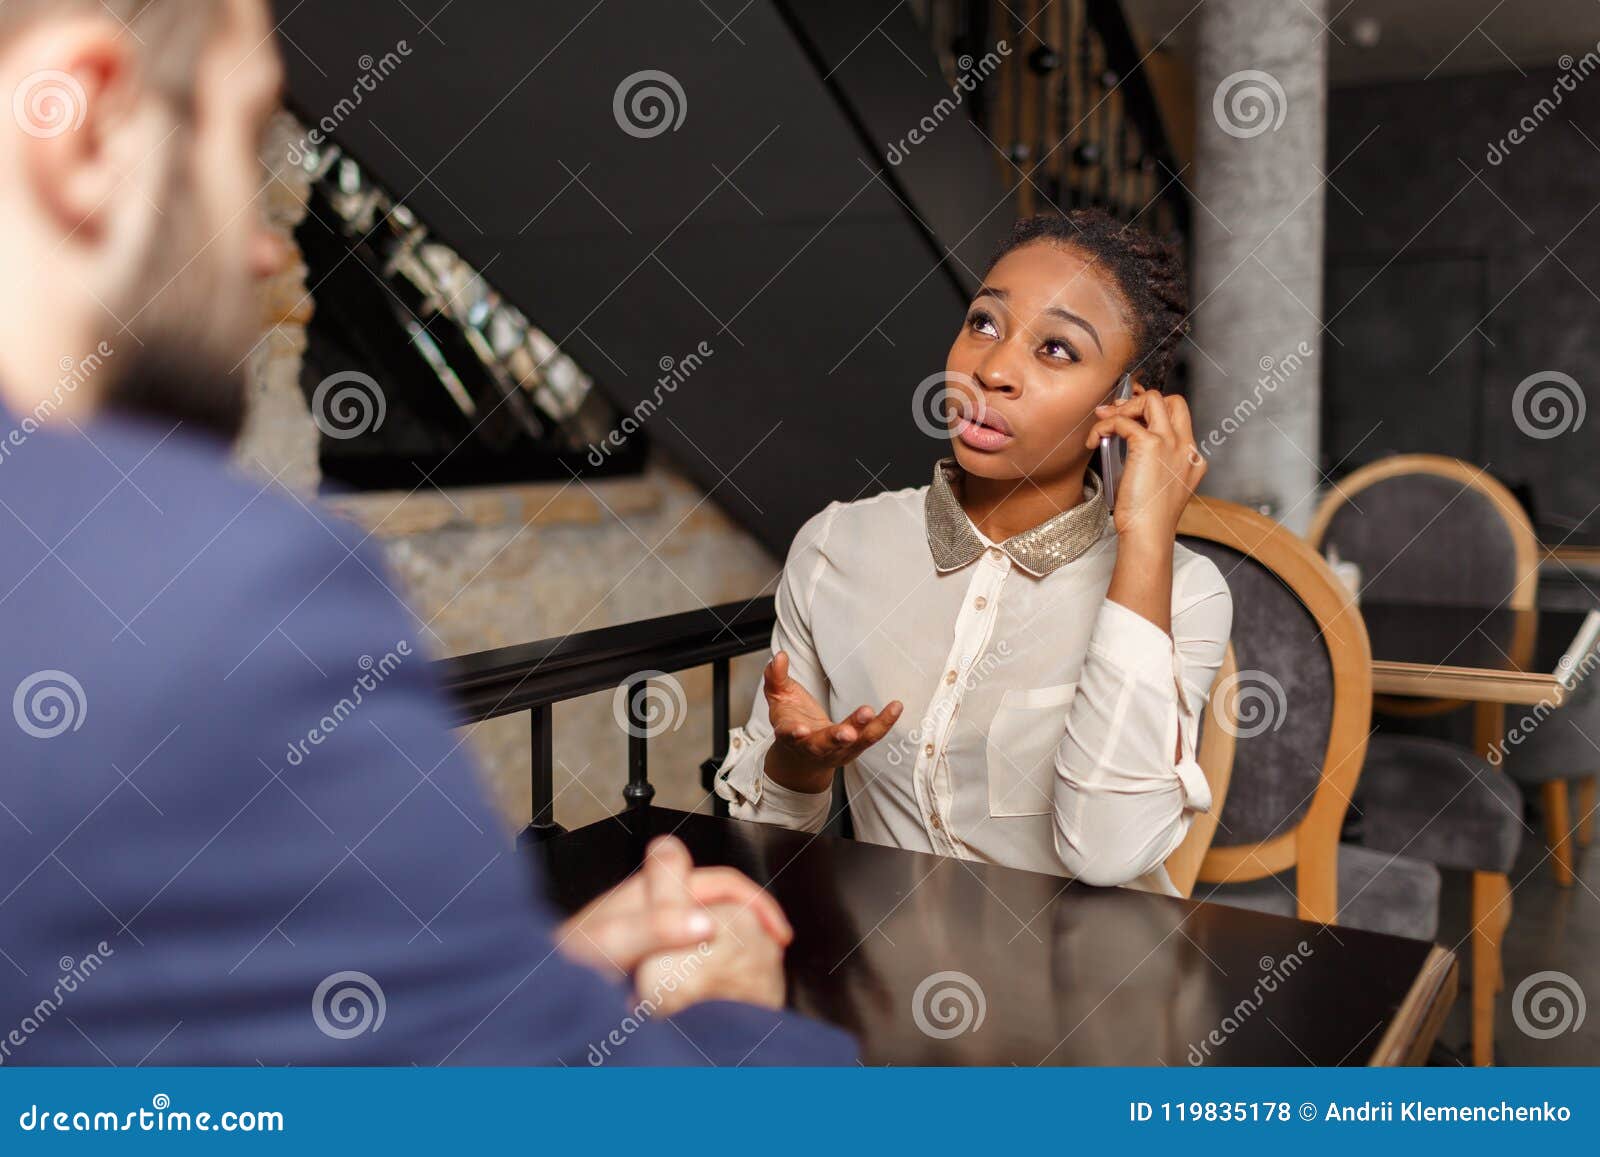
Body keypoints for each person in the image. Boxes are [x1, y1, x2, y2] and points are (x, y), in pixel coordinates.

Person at [0, 0, 852, 1065]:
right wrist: (726, 1010)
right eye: (239, 136)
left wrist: (526, 982)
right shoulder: (215, 587)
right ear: (83, 125)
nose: (267, 242)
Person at [714, 210, 1232, 896]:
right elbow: (766, 840)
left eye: (1056, 350)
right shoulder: (835, 545)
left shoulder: (1187, 592)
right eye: (984, 323)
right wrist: (799, 767)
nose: (993, 370)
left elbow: (1107, 851)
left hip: (1092, 991)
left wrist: (1144, 539)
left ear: (1123, 403)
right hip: (886, 983)